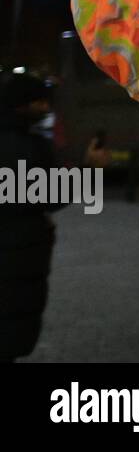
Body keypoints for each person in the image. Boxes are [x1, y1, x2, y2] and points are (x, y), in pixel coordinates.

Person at [0, 73, 60, 362]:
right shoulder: (29, 146)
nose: (45, 107)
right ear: (21, 104)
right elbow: (53, 196)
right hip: (19, 255)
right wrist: (92, 168)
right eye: (39, 101)